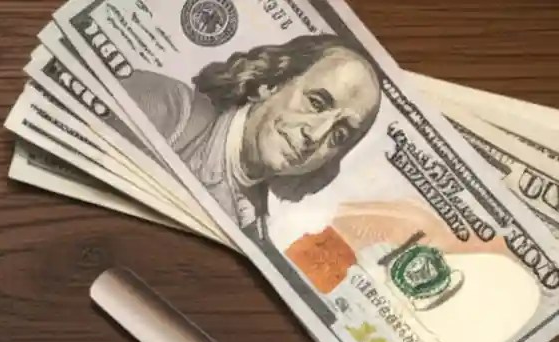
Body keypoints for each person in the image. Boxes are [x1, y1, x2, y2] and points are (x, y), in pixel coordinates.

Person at [122, 35, 383, 239]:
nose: (315, 135)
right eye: (316, 103)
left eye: (339, 135)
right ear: (270, 83)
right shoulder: (166, 106)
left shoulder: (256, 230)